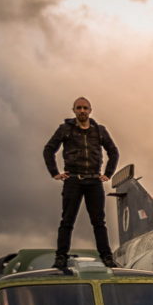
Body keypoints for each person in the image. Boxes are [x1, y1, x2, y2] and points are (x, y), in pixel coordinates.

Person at [43, 97, 120, 269]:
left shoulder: (99, 130)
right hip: (73, 180)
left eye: (85, 108)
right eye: (79, 108)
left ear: (90, 110)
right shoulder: (65, 129)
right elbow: (49, 149)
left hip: (94, 180)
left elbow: (113, 151)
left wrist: (108, 173)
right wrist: (55, 173)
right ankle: (60, 257)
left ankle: (107, 257)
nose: (82, 111)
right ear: (74, 110)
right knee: (67, 220)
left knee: (99, 222)